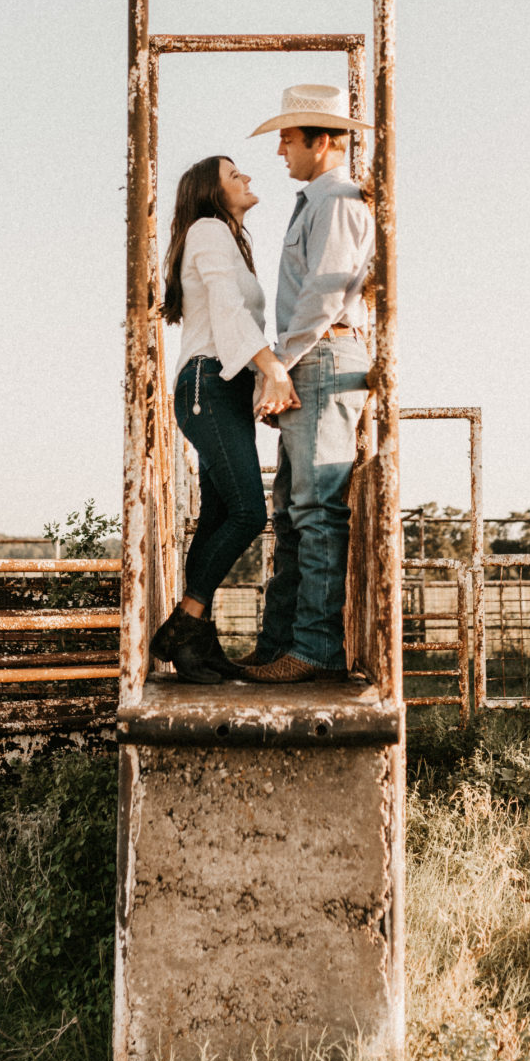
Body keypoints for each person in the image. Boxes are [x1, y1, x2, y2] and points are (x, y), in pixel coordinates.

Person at [149, 154, 300, 684]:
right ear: (212, 193)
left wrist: (259, 382)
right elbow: (227, 311)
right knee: (246, 514)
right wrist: (272, 369)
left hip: (224, 389)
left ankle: (199, 638)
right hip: (206, 386)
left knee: (216, 517)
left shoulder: (225, 238)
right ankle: (183, 625)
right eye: (235, 174)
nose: (248, 177)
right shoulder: (209, 229)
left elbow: (234, 316)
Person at [242, 85, 375, 684]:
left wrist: (279, 368)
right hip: (313, 359)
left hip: (321, 355)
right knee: (295, 511)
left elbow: (324, 292)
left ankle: (314, 648)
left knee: (316, 507)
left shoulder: (338, 202)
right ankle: (280, 644)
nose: (279, 151)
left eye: (288, 139)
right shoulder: (320, 201)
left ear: (321, 142)